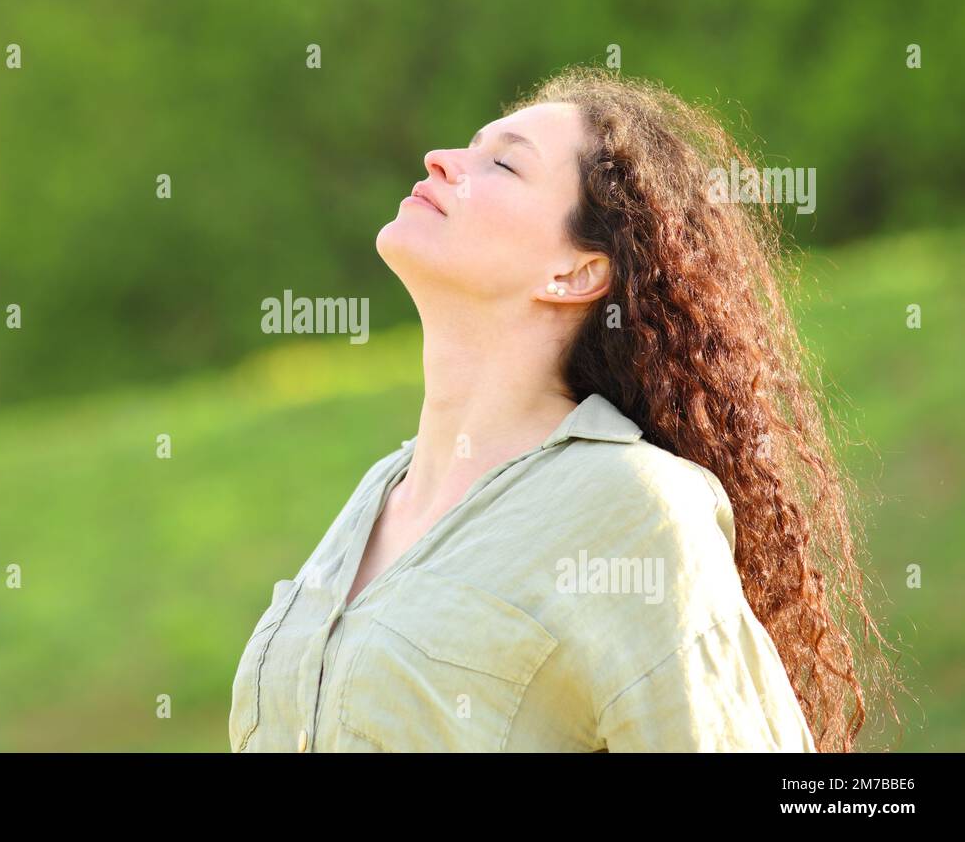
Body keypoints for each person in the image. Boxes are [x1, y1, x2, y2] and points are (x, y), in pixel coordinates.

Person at [228, 66, 901, 752]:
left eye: (503, 164)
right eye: (470, 146)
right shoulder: (375, 497)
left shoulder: (631, 508)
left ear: (576, 273)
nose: (439, 159)